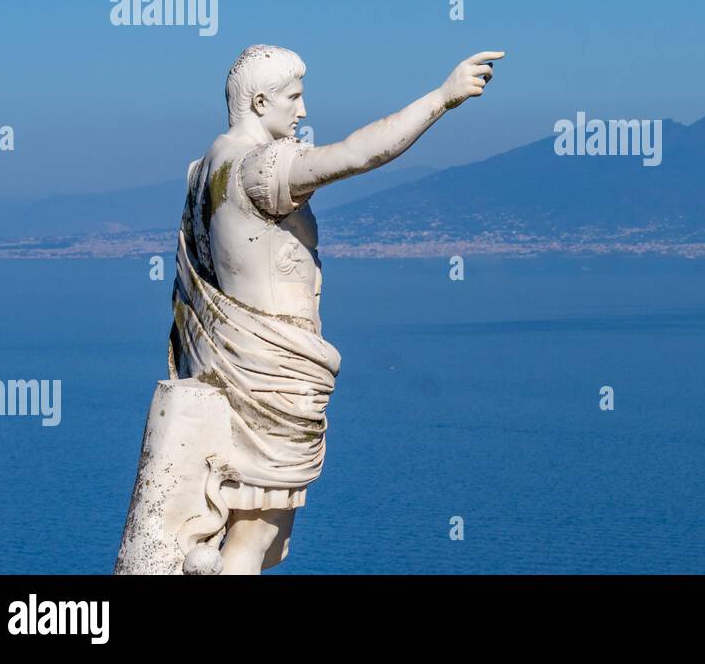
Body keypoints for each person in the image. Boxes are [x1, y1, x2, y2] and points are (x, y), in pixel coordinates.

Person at [168, 44, 503, 573]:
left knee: (245, 532)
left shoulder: (204, 168)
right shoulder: (258, 169)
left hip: (231, 365)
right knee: (254, 539)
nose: (302, 110)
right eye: (293, 97)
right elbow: (358, 153)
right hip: (273, 372)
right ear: (259, 101)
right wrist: (443, 98)